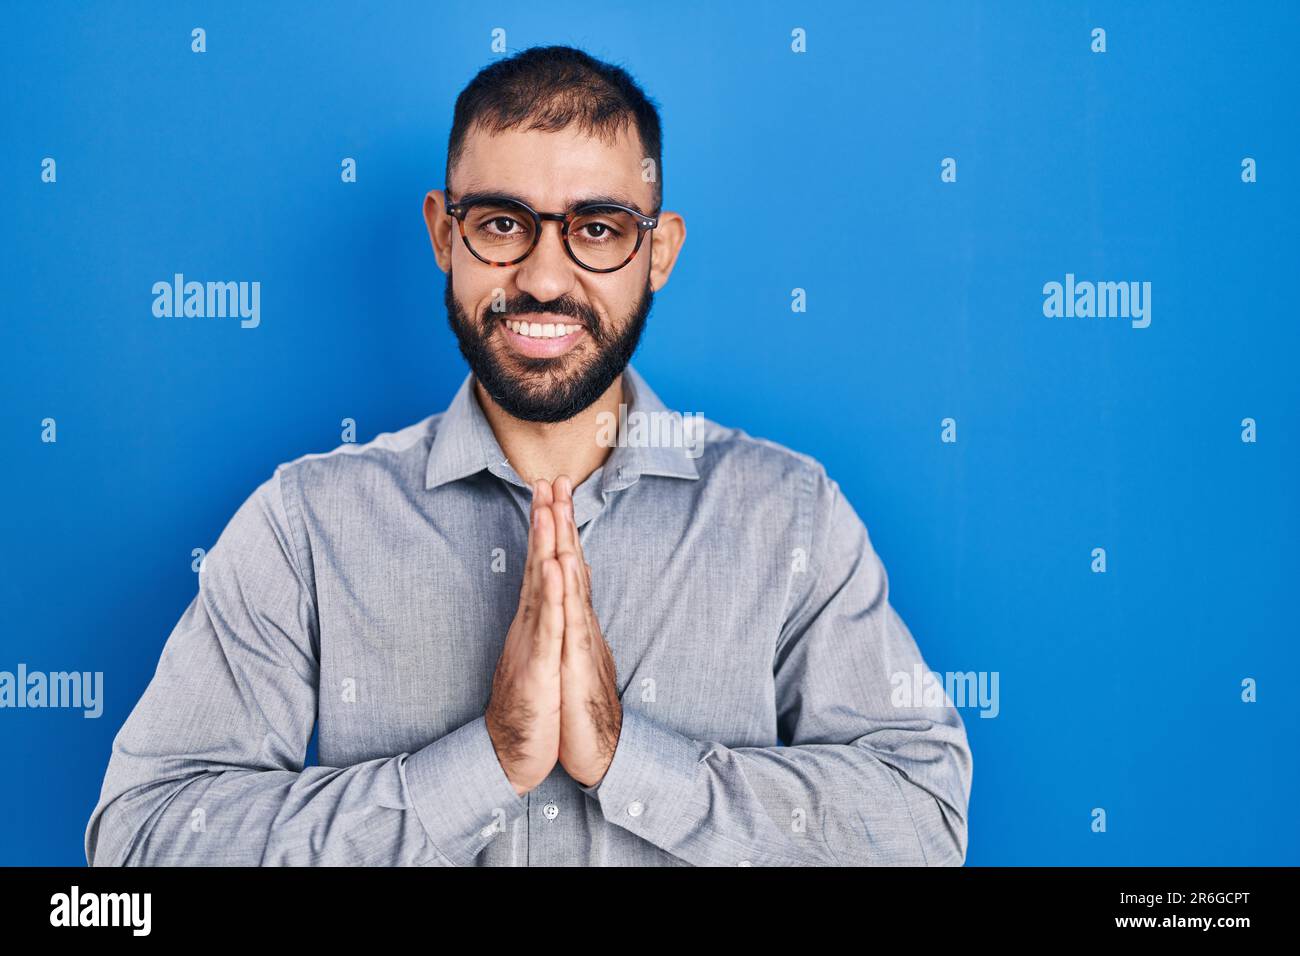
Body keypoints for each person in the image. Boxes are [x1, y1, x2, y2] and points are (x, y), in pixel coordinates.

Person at [85, 44, 971, 867]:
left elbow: (923, 820)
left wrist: (633, 762)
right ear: (443, 234)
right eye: (504, 223)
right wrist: (484, 762)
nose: (545, 279)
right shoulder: (304, 525)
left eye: (597, 228)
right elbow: (140, 837)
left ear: (657, 253)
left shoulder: (789, 513)